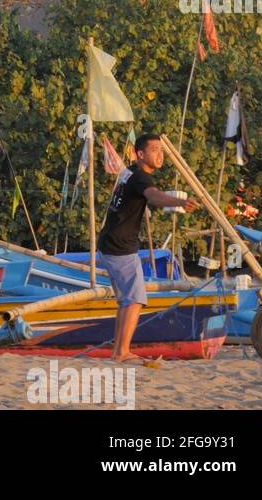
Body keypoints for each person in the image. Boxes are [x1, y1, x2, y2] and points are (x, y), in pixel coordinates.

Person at [98, 133, 199, 362]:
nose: (160, 154)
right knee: (134, 299)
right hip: (119, 245)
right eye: (155, 150)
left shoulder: (130, 173)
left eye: (162, 150)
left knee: (127, 300)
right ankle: (122, 352)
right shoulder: (140, 177)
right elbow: (154, 196)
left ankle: (118, 352)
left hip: (112, 242)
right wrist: (180, 202)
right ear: (140, 154)